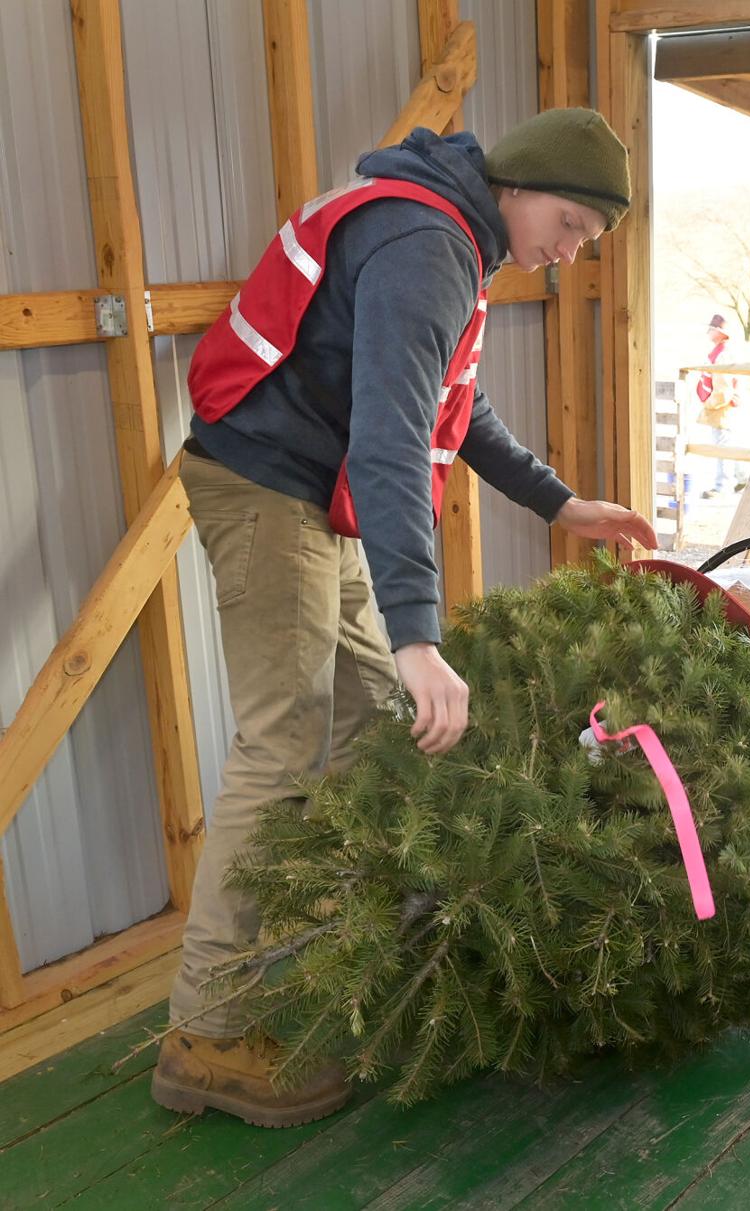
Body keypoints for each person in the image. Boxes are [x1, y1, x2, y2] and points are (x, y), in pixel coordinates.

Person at [153, 109, 656, 1127]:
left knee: (357, 721)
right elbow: (388, 444)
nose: (564, 253)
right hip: (266, 487)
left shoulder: (457, 236)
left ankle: (299, 957)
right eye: (567, 225)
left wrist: (558, 501)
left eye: (584, 245)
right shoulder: (428, 246)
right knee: (285, 739)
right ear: (519, 186)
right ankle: (205, 1031)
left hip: (309, 488)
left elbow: (450, 404)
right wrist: (419, 637)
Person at [695, 313, 742, 498]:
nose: (709, 332)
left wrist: (711, 402)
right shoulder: (721, 352)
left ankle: (723, 485)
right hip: (722, 404)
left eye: (713, 329)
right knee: (727, 441)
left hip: (722, 406)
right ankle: (741, 476)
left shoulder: (722, 354)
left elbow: (723, 386)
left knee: (722, 443)